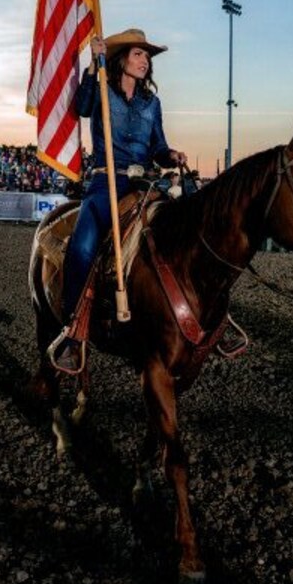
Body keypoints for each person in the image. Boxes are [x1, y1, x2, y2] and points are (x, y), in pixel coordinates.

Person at [51, 29, 187, 371]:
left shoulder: (152, 103)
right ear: (122, 58)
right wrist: (91, 65)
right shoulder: (101, 89)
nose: (145, 61)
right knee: (81, 249)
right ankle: (72, 331)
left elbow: (157, 146)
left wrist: (171, 155)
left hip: (145, 184)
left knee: (184, 230)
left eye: (147, 57)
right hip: (104, 184)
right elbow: (81, 107)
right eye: (139, 54)